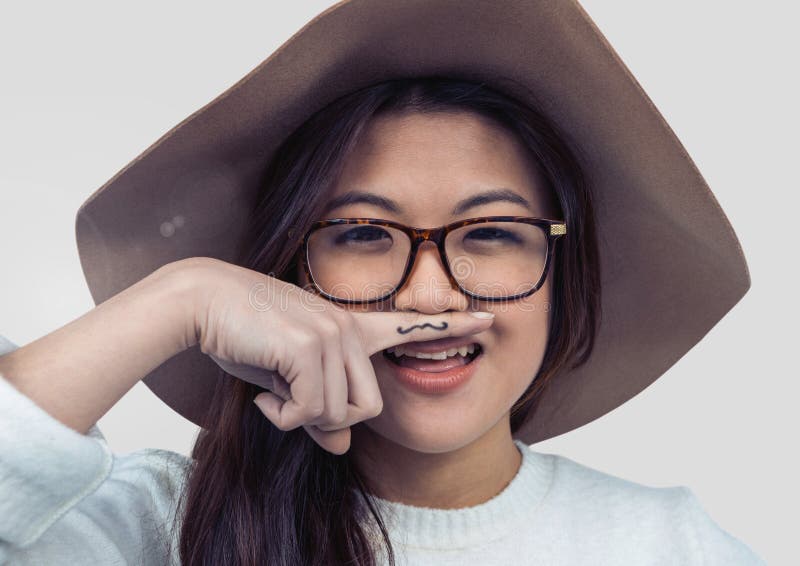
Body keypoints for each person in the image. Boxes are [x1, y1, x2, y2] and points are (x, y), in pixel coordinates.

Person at [0, 2, 767, 565]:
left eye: (492, 233)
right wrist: (180, 297)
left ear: (563, 277)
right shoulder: (152, 530)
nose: (431, 298)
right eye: (363, 234)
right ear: (283, 273)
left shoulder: (672, 545)